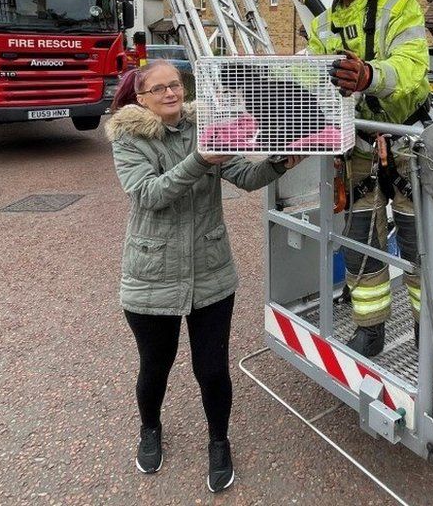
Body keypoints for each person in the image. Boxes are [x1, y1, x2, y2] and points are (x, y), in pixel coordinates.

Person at [105, 61, 301, 492]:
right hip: (151, 275)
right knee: (155, 366)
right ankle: (150, 428)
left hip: (211, 271)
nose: (170, 93)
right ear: (142, 98)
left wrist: (281, 163)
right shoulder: (129, 139)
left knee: (212, 370)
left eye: (175, 84)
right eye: (158, 89)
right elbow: (149, 195)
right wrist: (198, 160)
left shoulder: (203, 127)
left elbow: (243, 176)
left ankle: (219, 441)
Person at [295, 0, 433, 358]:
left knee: (419, 243)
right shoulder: (326, 24)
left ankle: (431, 333)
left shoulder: (399, 4)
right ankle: (370, 330)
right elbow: (310, 72)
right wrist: (255, 78)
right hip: (360, 148)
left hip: (408, 145)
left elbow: (411, 67)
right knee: (362, 241)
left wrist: (368, 75)